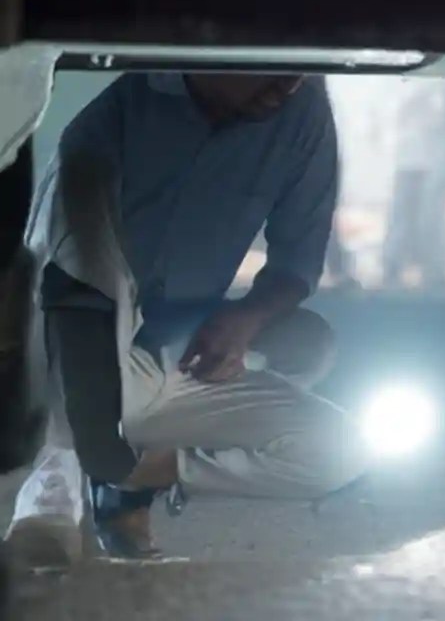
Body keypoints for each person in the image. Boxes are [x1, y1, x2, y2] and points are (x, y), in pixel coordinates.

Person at [5, 73, 366, 562]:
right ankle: (58, 474)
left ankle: (143, 475)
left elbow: (297, 263)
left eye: (301, 70)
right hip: (80, 346)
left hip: (175, 350)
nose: (288, 85)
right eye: (275, 66)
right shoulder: (118, 121)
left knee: (321, 384)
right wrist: (98, 452)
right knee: (76, 375)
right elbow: (77, 303)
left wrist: (246, 320)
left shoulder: (301, 112)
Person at [380, 79, 445, 288]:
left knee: (424, 217)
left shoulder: (433, 83)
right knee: (411, 216)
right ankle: (396, 268)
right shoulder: (416, 83)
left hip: (423, 155)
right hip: (413, 155)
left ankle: (427, 270)